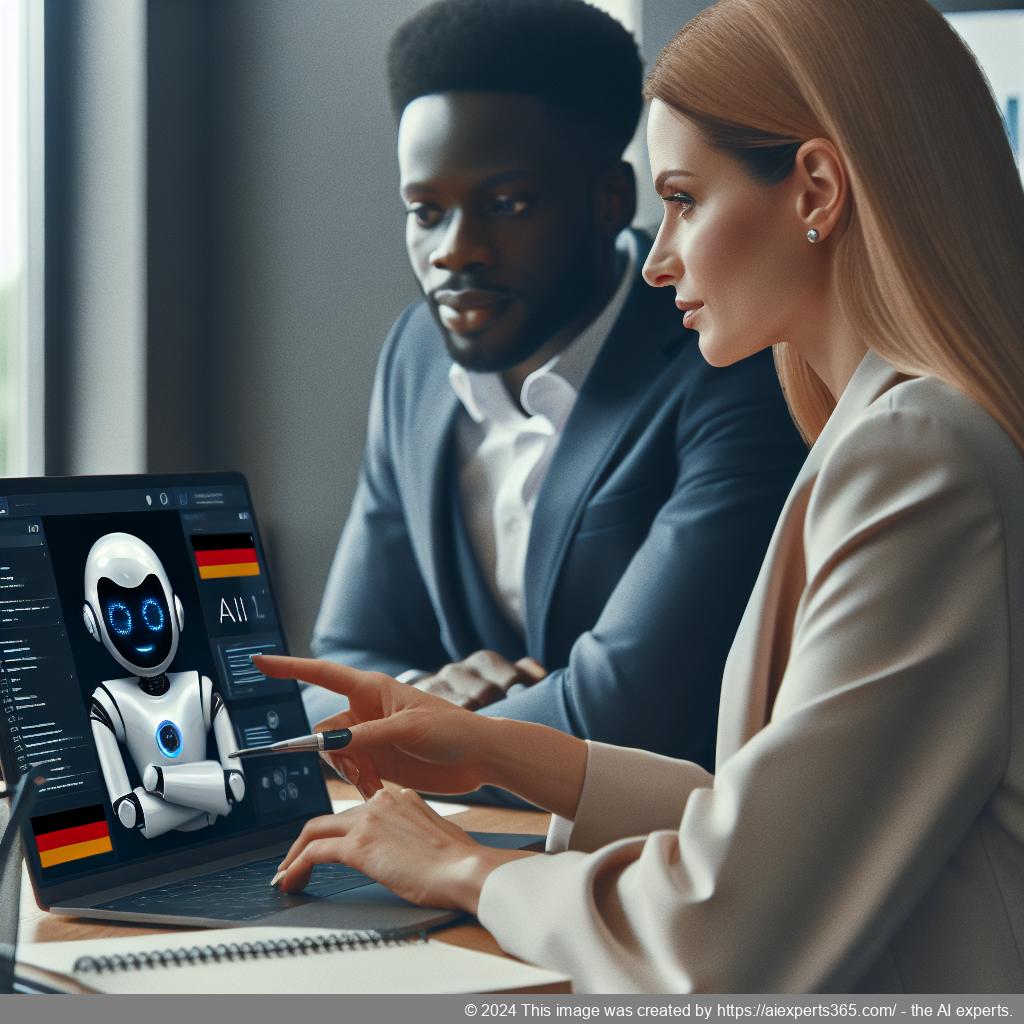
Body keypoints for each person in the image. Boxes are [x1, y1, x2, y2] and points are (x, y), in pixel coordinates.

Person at [268, 0, 1024, 992]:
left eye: (683, 199)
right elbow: (759, 820)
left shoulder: (914, 456)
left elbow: (728, 929)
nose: (658, 255)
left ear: (815, 191)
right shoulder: (889, 432)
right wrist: (497, 745)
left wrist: (464, 868)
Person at [306, 0, 806, 777]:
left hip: (660, 866)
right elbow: (339, 661)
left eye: (507, 205)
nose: (455, 253)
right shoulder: (413, 357)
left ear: (609, 198)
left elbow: (624, 715)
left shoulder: (727, 362)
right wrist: (420, 699)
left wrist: (416, 729)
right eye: (426, 212)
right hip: (469, 845)